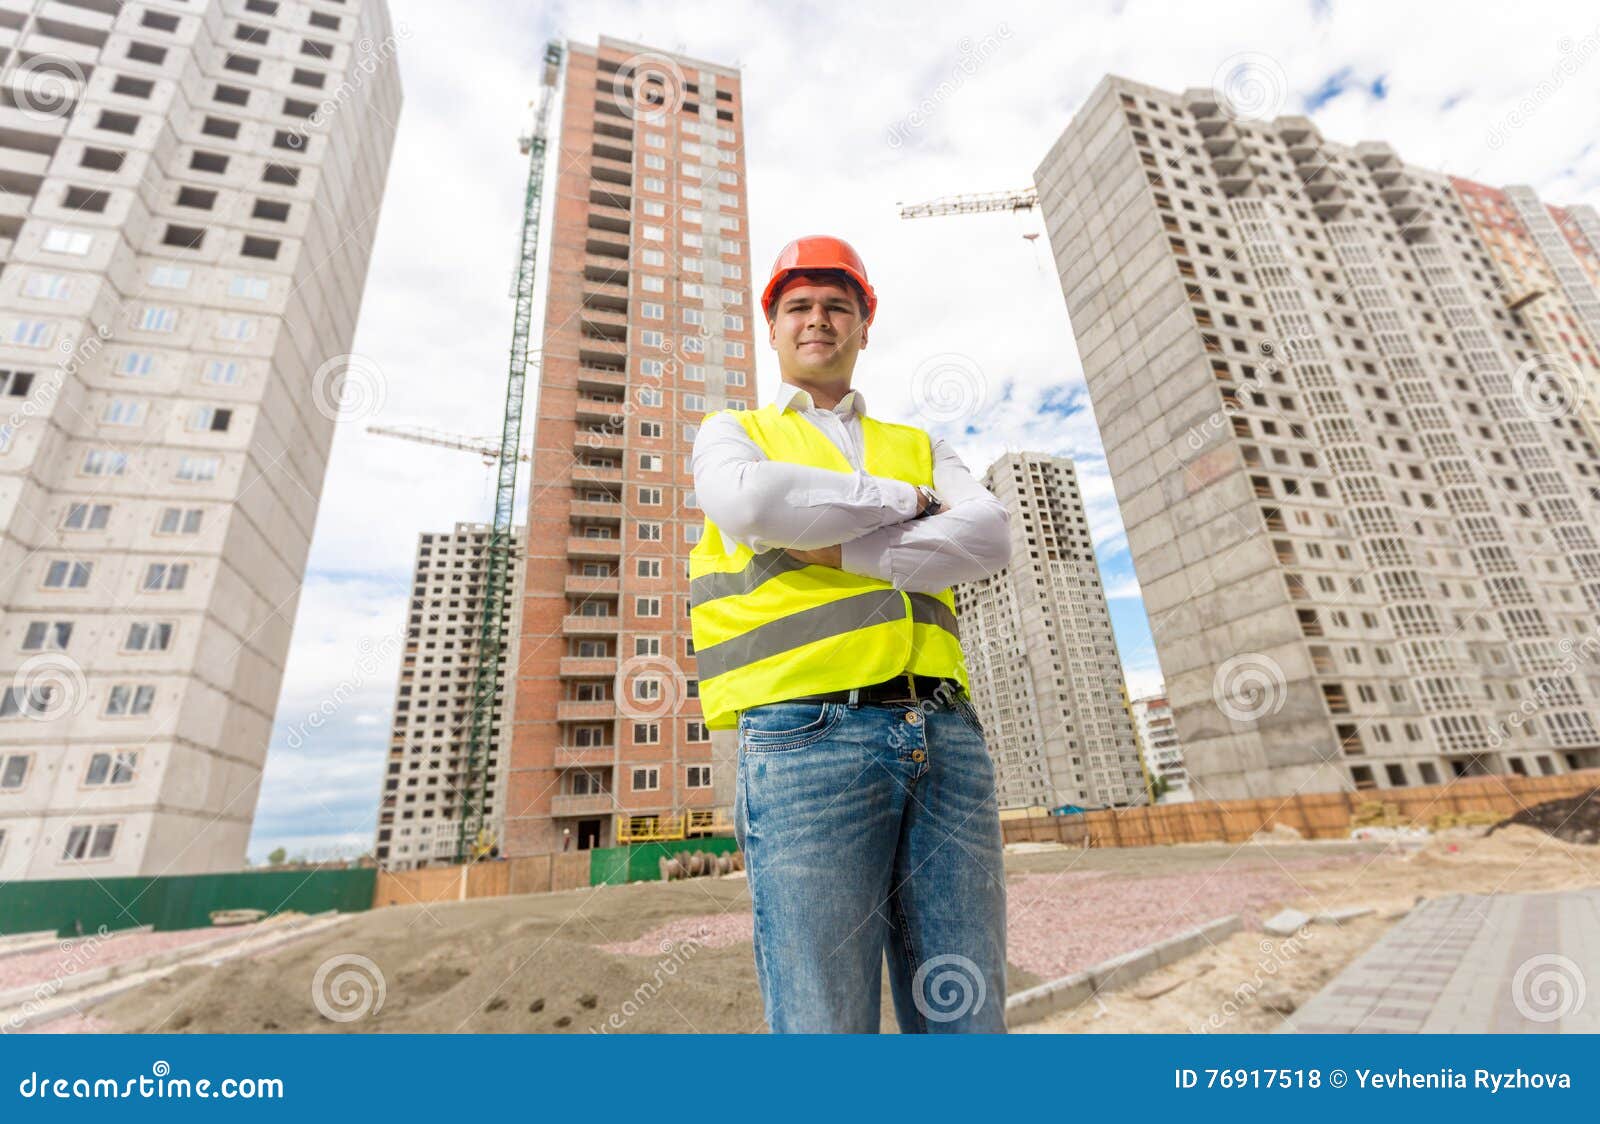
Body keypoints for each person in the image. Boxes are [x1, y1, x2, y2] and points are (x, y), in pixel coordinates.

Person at [688, 235, 1012, 1033]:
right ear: (773, 327)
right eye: (798, 305)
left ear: (866, 322)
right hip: (807, 738)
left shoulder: (923, 442)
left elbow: (991, 537)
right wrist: (908, 503)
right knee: (824, 1026)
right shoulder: (733, 433)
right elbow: (755, 505)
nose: (818, 320)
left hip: (946, 734)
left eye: (838, 305)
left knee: (969, 1022)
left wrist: (844, 544)